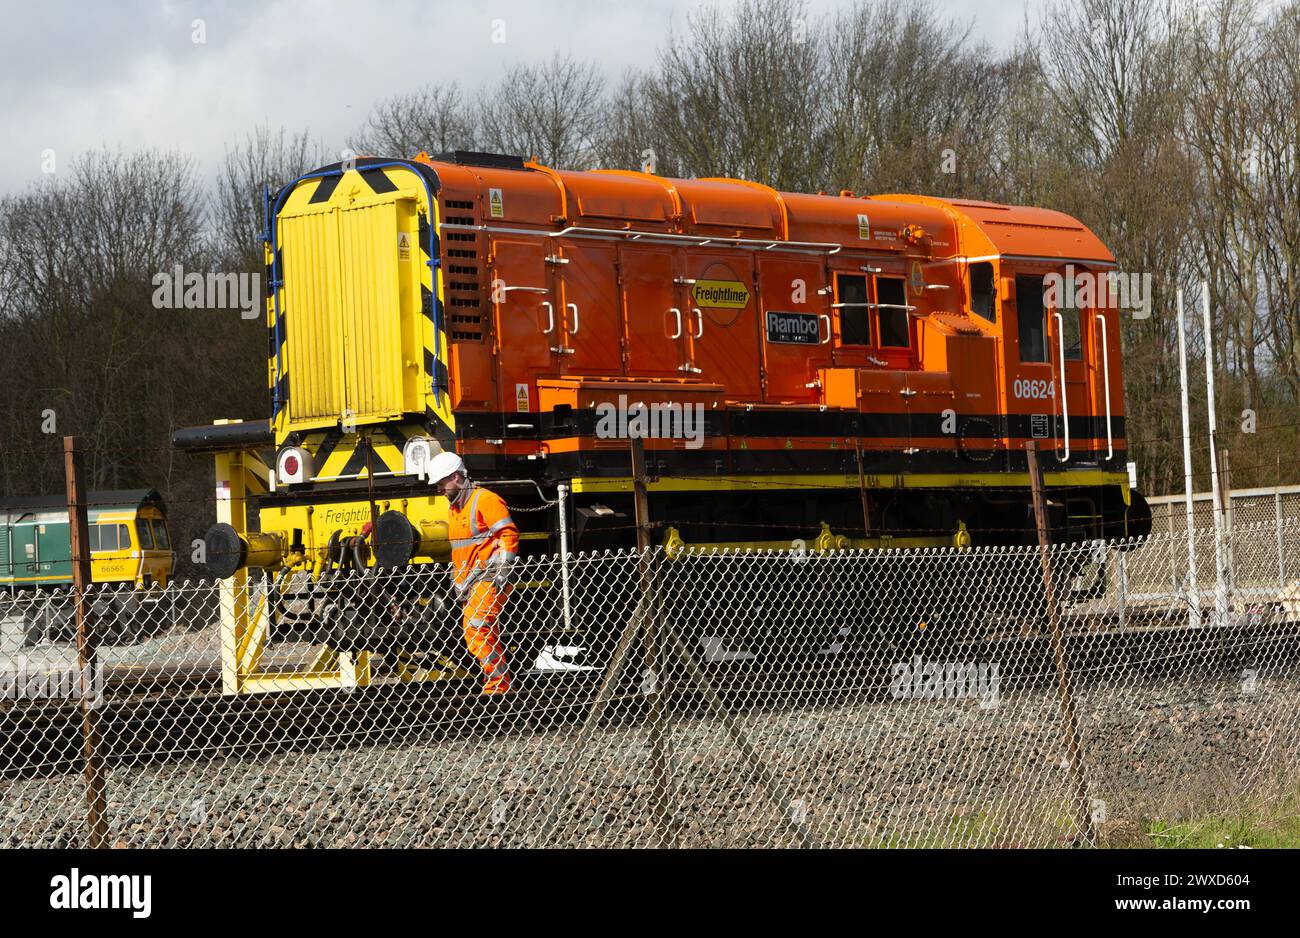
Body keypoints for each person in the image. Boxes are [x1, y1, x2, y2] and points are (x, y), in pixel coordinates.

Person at [426, 451, 518, 695]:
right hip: (470, 583)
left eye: (441, 483)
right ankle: (501, 684)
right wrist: (458, 584)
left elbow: (508, 534)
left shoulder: (485, 500)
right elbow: (461, 552)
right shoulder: (455, 510)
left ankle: (498, 685)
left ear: (456, 477)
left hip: (489, 577)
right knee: (483, 631)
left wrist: (503, 571)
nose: (439, 489)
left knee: (476, 629)